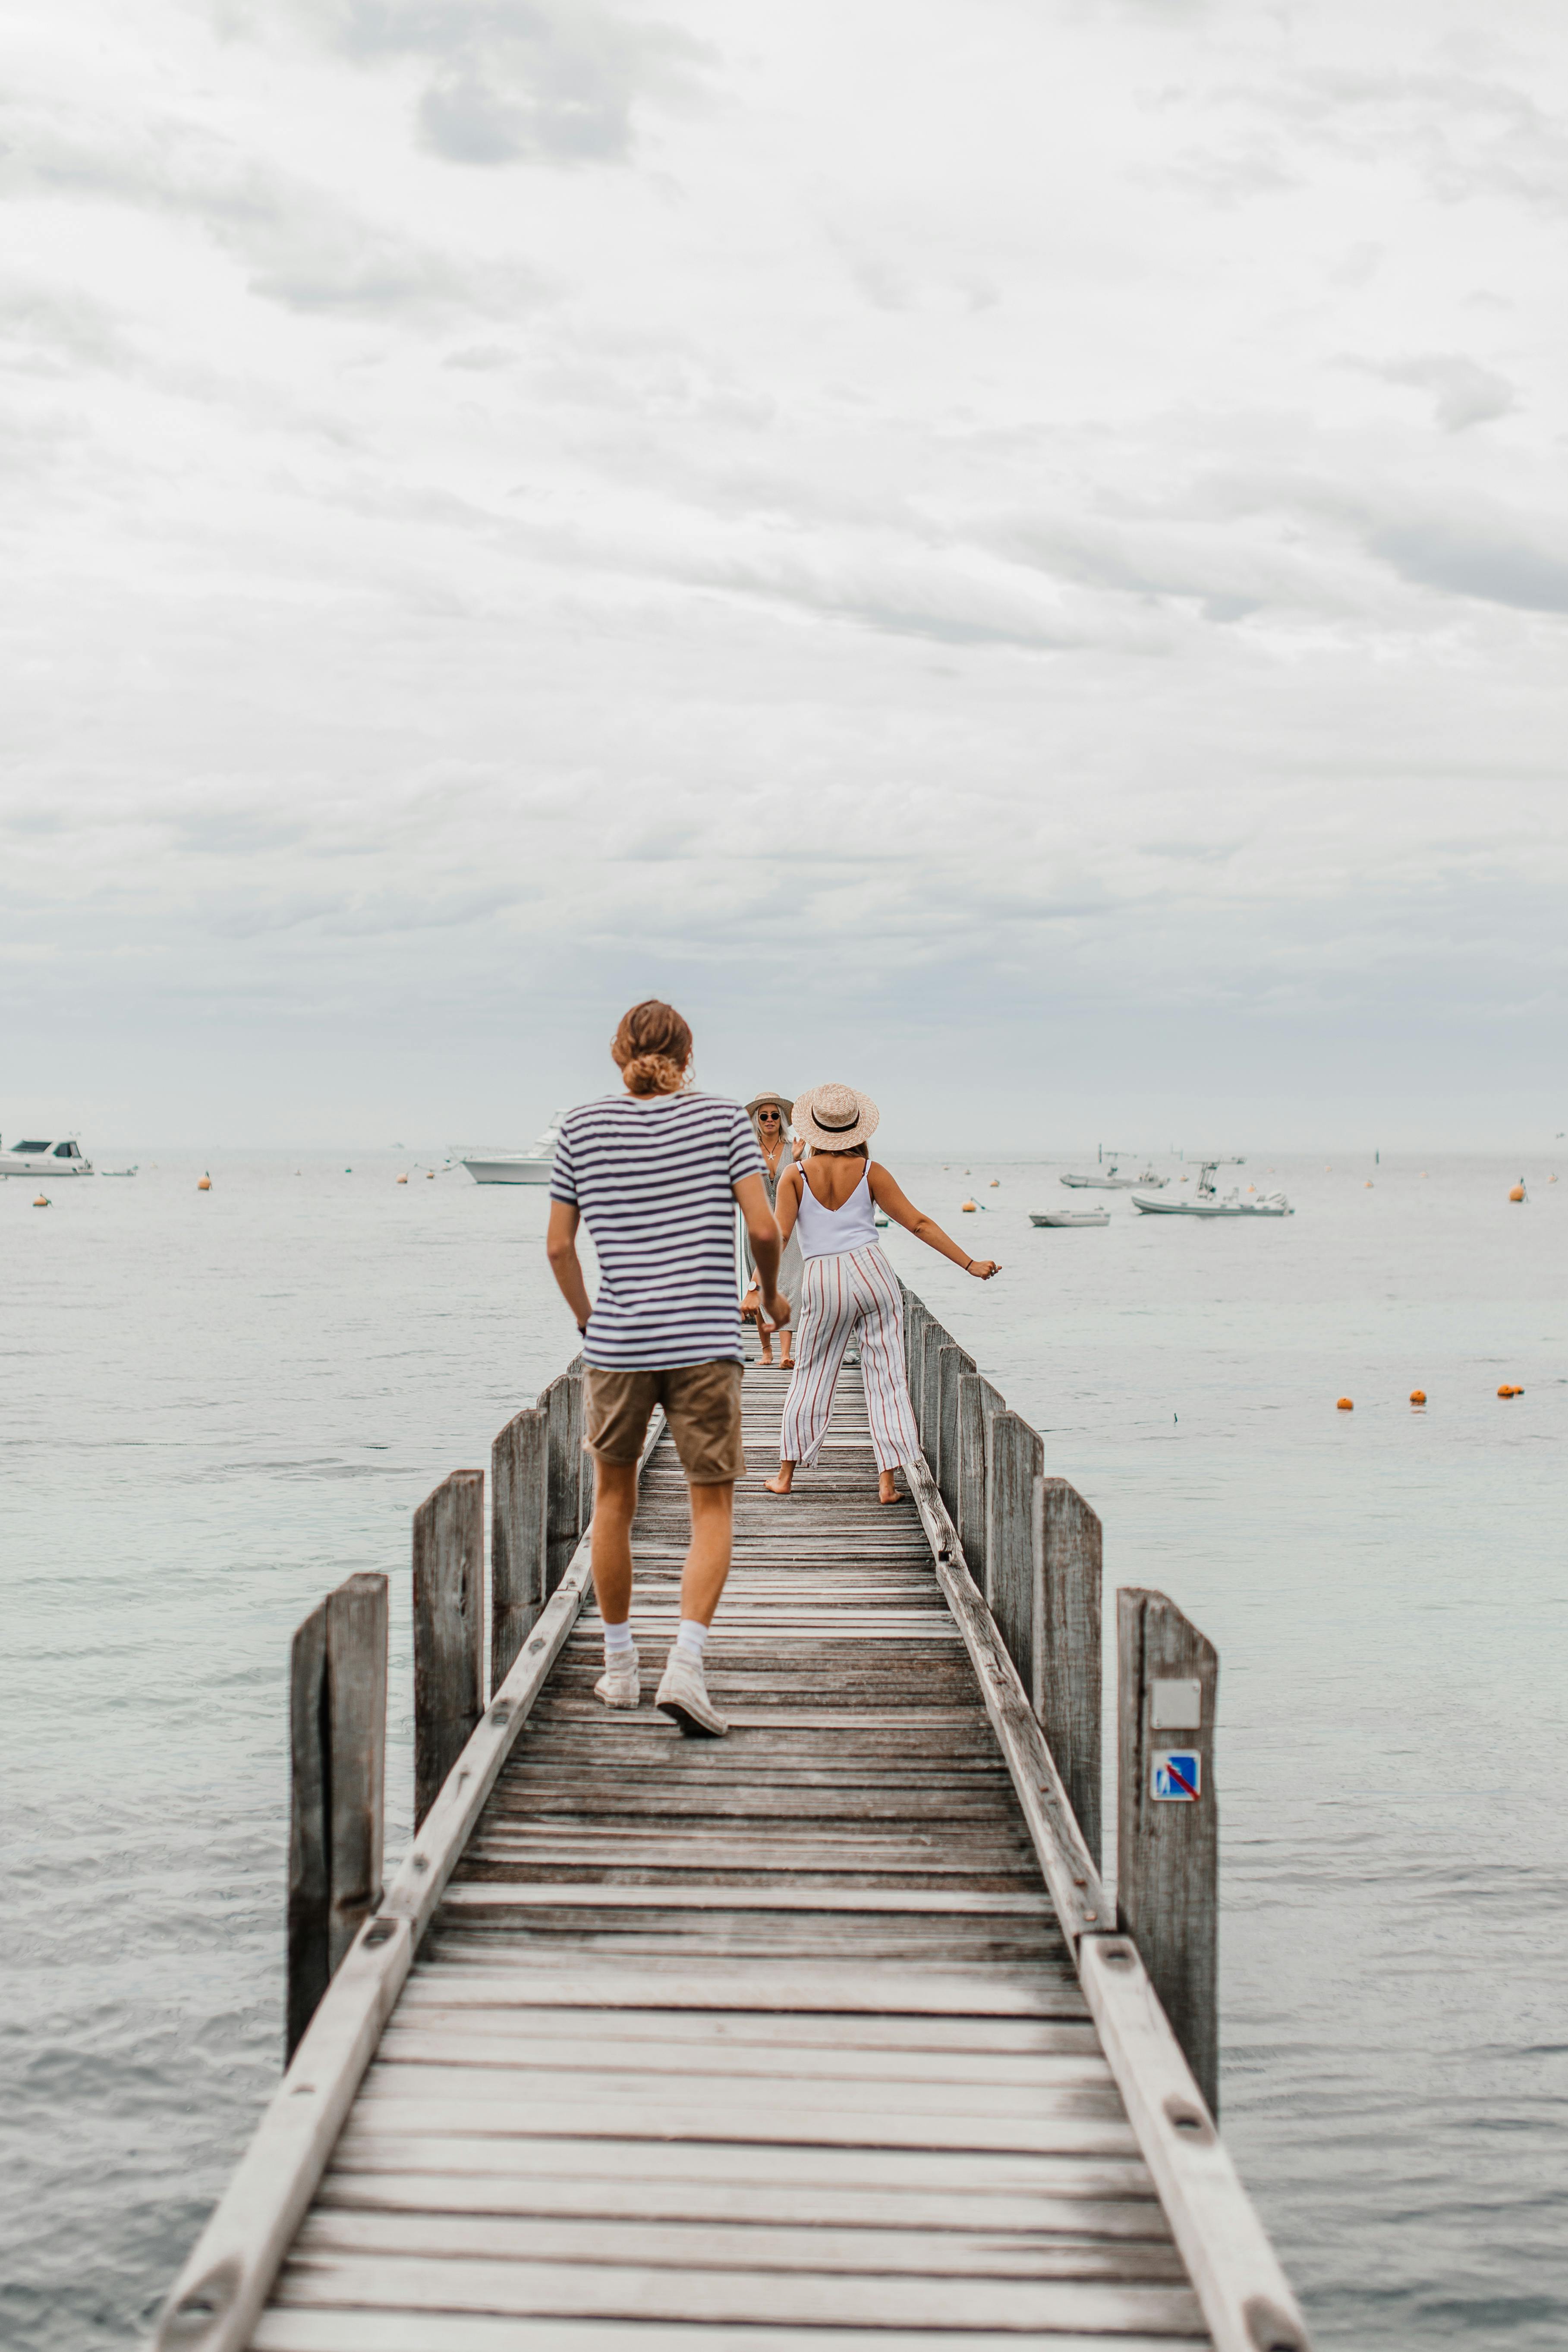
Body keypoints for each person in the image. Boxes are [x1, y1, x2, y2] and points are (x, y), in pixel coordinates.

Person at [545, 999, 790, 1737]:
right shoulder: (723, 1122)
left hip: (618, 1345)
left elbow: (558, 1249)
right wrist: (770, 1295)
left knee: (612, 1501)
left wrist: (590, 1318)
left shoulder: (578, 1128)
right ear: (688, 1055)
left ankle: (620, 1670)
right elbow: (760, 1226)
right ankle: (685, 1663)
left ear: (617, 1052)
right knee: (709, 1507)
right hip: (703, 1344)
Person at [764, 1082, 998, 1506]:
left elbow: (779, 1236)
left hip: (823, 1277)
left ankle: (785, 1476)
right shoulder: (872, 1173)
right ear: (855, 1130)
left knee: (812, 1374)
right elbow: (919, 1224)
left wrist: (756, 1288)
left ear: (812, 1130)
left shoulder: (794, 1175)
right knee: (886, 1377)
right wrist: (969, 1264)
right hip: (873, 1271)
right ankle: (887, 1484)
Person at [742, 1091, 804, 1369]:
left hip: (789, 1224)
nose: (769, 1120)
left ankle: (785, 1354)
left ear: (782, 1119)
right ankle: (766, 1351)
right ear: (757, 1119)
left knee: (792, 1285)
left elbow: (805, 1183)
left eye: (775, 1115)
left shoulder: (795, 1148)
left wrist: (801, 1160)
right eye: (764, 1116)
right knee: (760, 1287)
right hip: (756, 1225)